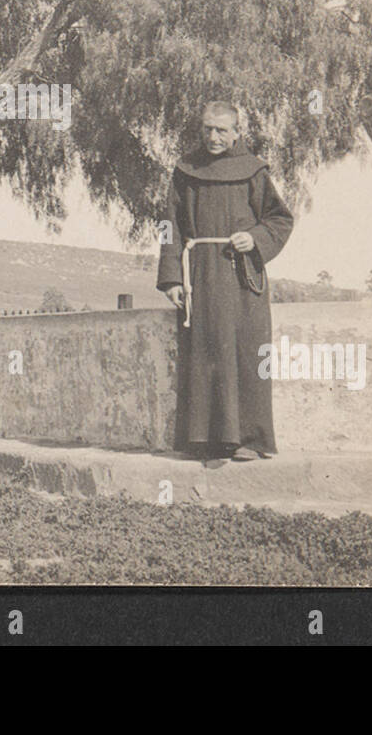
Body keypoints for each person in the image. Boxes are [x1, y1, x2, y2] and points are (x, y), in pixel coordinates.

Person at [157, 101, 294, 468]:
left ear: (236, 132)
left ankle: (250, 439)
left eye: (221, 130)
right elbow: (169, 225)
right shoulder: (186, 171)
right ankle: (205, 440)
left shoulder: (253, 170)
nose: (213, 137)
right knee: (204, 355)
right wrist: (171, 277)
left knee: (246, 353)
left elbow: (280, 219)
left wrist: (256, 238)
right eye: (207, 129)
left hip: (242, 276)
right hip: (199, 274)